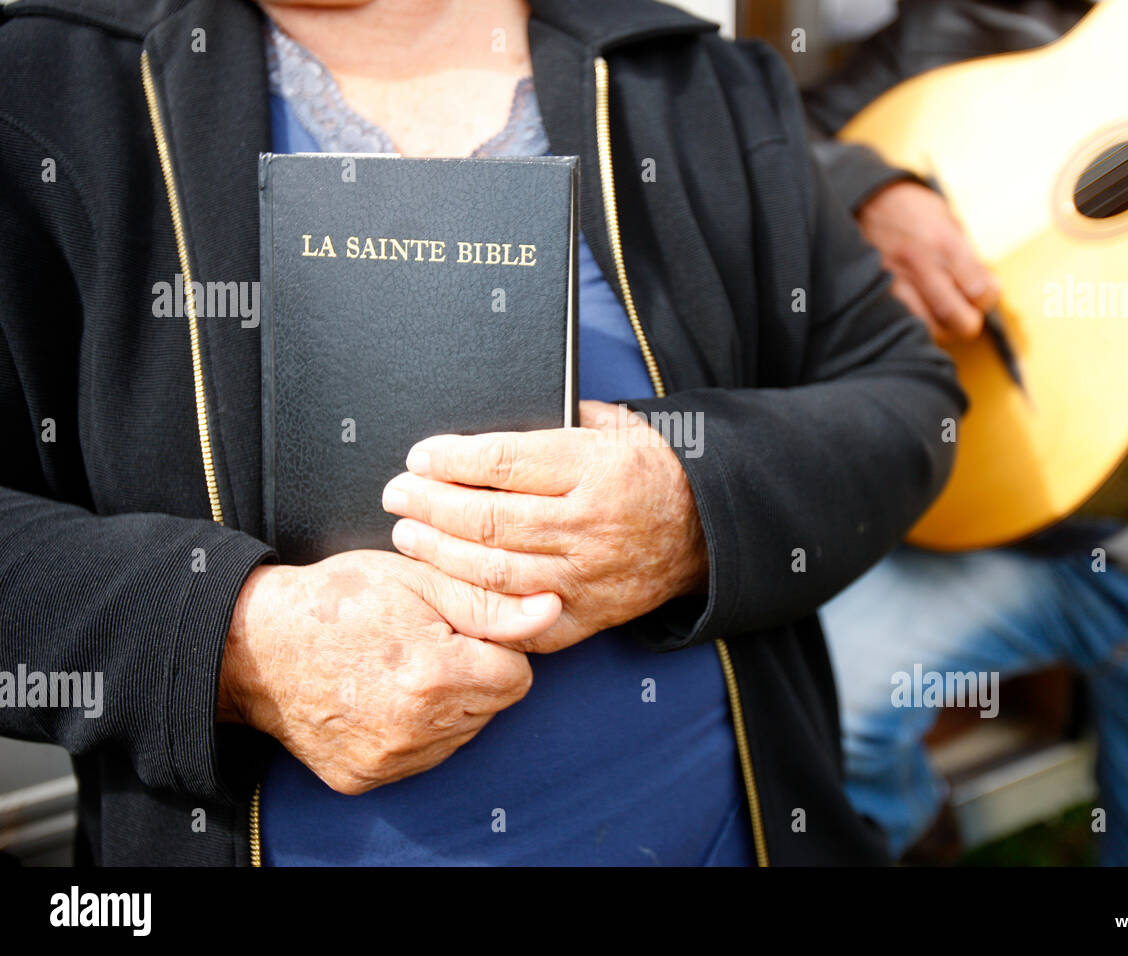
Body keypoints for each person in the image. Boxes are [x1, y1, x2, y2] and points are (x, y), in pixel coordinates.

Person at [0, 0, 964, 865]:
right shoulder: (48, 84)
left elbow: (910, 399)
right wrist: (234, 646)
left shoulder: (687, 73)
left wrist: (693, 504)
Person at [806, 0, 1128, 865]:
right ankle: (918, 837)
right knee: (810, 714)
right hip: (996, 537)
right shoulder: (1005, 14)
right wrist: (864, 186)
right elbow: (753, 136)